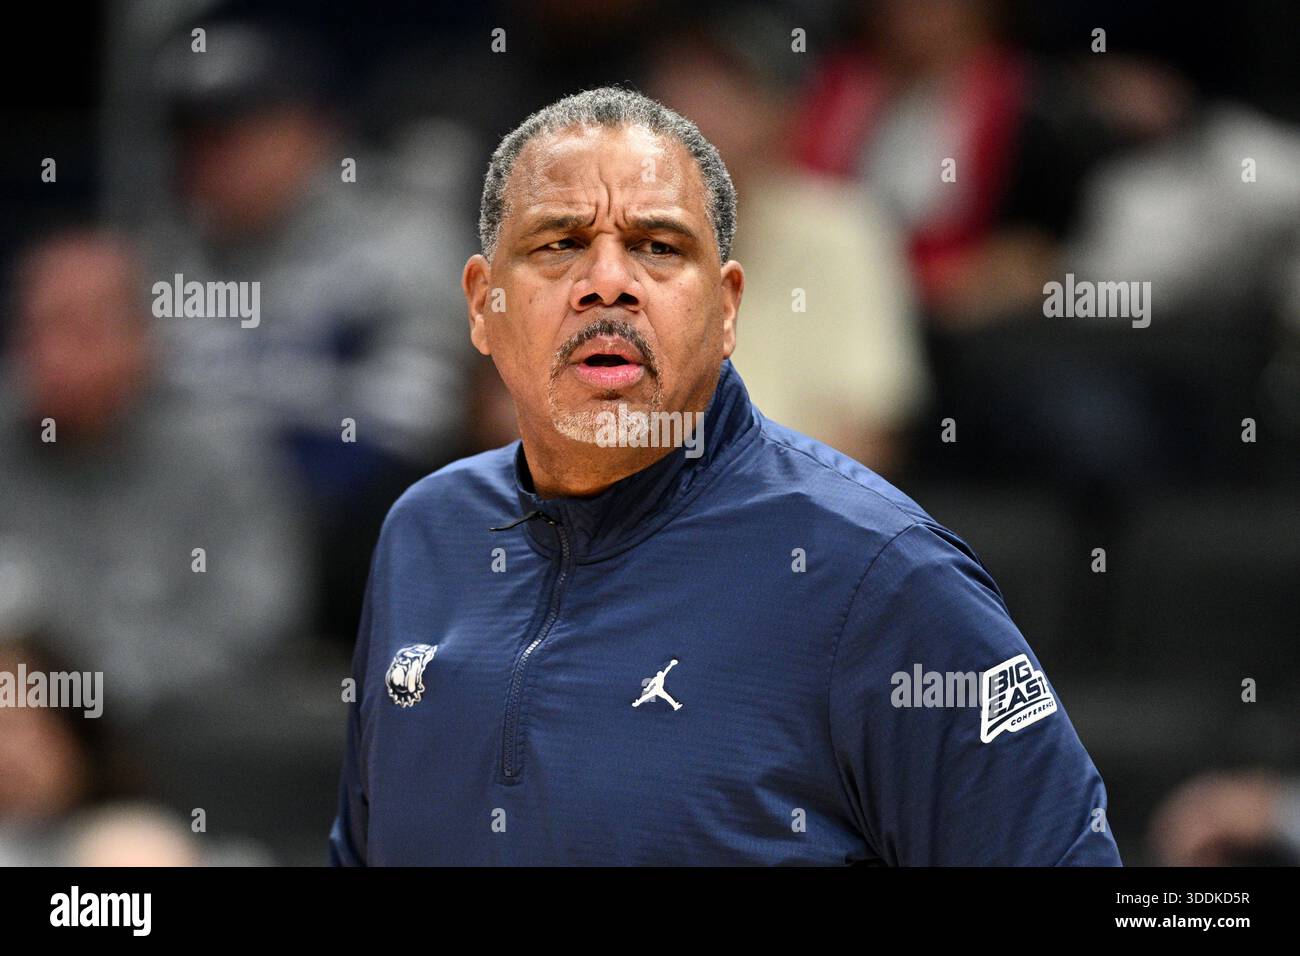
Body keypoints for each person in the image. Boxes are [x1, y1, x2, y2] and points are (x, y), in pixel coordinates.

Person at [329, 87, 1121, 866]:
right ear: (481, 304)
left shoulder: (880, 575)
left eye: (659, 247)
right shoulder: (424, 534)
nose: (607, 282)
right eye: (558, 244)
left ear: (728, 305)